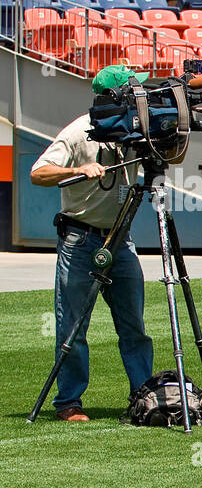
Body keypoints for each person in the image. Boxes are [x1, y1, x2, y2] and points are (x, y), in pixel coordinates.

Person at [30, 65, 154, 421]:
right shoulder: (78, 131)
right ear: (115, 97)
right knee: (73, 326)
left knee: (134, 326)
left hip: (120, 239)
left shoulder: (136, 129)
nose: (140, 97)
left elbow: (171, 158)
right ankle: (68, 402)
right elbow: (38, 172)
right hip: (80, 239)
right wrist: (76, 170)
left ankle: (142, 395)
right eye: (133, 91)